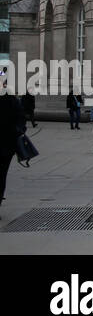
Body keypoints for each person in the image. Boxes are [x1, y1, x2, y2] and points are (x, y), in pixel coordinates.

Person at [0, 70, 27, 221]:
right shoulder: (10, 98)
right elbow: (21, 118)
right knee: (1, 175)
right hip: (7, 144)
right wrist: (18, 132)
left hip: (6, 144)